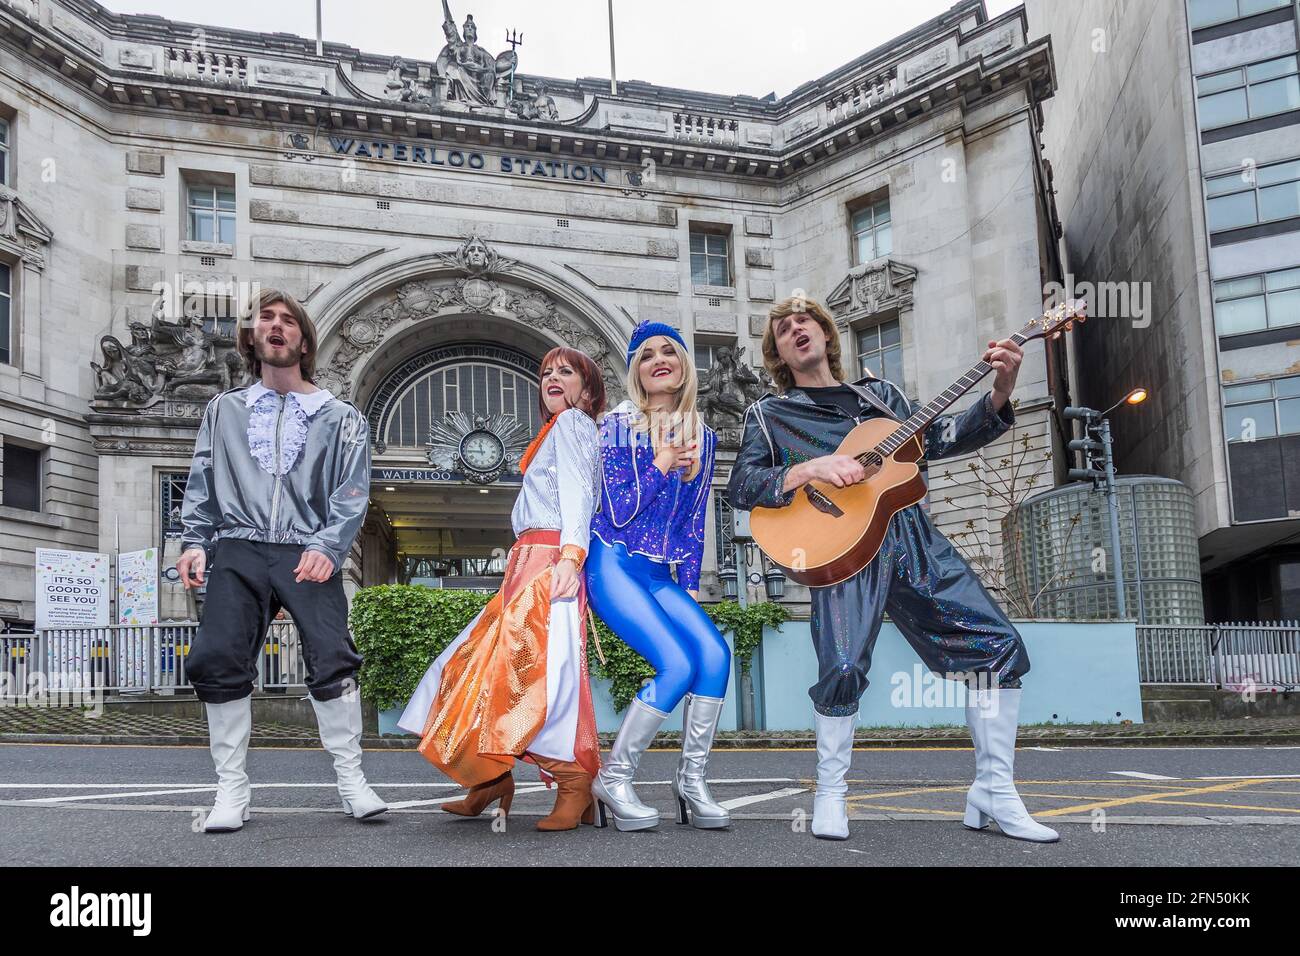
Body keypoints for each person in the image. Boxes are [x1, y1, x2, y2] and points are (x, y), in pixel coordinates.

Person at [728, 295, 1059, 844]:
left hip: (910, 536)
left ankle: (994, 793)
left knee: (996, 645)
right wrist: (811, 466)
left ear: (826, 333)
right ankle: (830, 793)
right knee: (841, 664)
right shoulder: (769, 414)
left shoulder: (879, 396)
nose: (795, 330)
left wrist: (1000, 391)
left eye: (804, 320)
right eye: (783, 329)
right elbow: (743, 486)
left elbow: (943, 439)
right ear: (778, 353)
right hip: (840, 545)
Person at [177, 288, 386, 832]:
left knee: (333, 656)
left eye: (288, 320)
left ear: (303, 339)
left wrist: (328, 546)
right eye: (265, 318)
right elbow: (202, 477)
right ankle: (231, 790)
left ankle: (351, 780)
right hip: (239, 547)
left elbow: (352, 492)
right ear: (251, 337)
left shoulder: (340, 417)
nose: (276, 326)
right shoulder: (224, 410)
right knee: (216, 657)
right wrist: (195, 540)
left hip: (306, 550)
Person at [397, 348, 606, 832]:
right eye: (546, 372)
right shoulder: (556, 430)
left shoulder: (574, 424)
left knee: (537, 675)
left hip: (548, 562)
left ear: (587, 387)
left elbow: (579, 493)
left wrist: (571, 558)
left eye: (566, 371)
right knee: (479, 667)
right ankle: (490, 778)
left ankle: (574, 782)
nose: (552, 378)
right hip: (528, 563)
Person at [585, 321, 731, 831]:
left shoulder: (704, 437)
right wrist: (664, 460)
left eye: (670, 351)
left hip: (657, 573)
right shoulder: (615, 427)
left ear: (685, 365)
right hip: (611, 561)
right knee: (675, 665)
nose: (659, 359)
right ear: (637, 372)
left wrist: (689, 585)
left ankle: (691, 783)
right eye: (646, 355)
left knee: (713, 655)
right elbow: (617, 509)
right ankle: (615, 777)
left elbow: (694, 520)